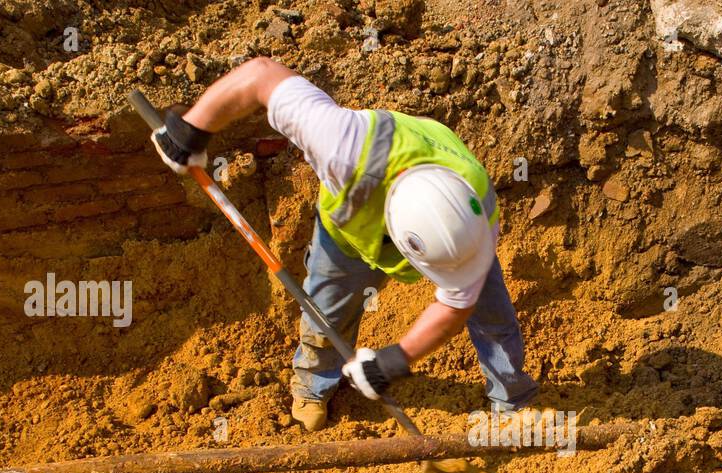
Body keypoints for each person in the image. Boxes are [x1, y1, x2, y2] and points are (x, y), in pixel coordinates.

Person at [150, 56, 538, 431]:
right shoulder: (341, 144)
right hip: (348, 230)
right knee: (326, 312)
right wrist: (192, 129)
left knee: (492, 314)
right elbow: (260, 74)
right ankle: (313, 386)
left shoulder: (475, 217)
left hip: (439, 222)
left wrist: (393, 361)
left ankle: (510, 396)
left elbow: (456, 304)